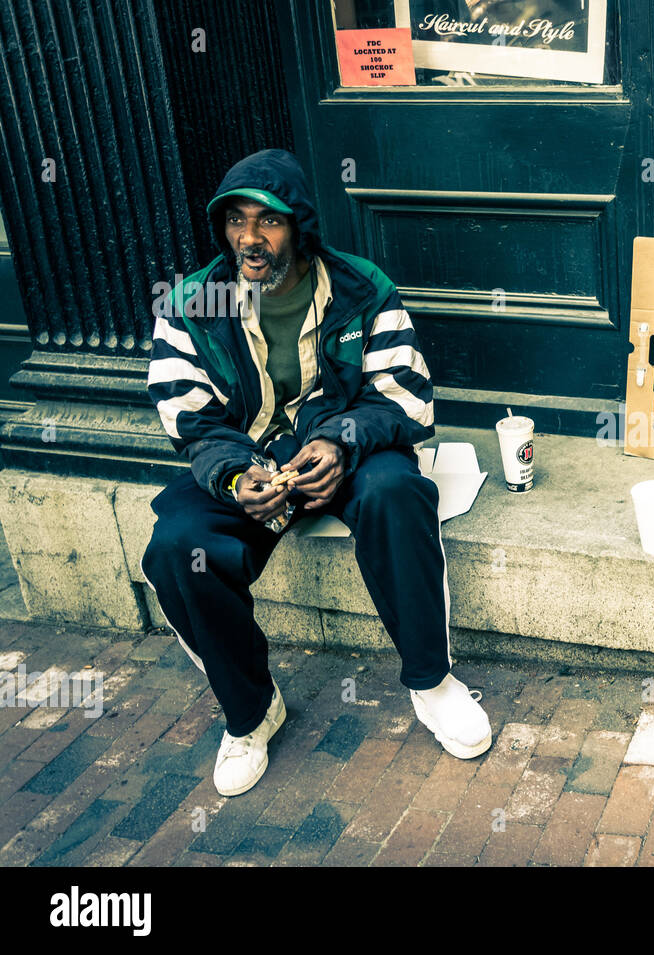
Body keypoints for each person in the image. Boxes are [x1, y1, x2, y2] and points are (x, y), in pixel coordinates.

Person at [142, 148, 492, 797]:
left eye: (267, 222)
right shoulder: (190, 304)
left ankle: (432, 683)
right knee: (176, 548)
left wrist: (338, 442)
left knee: (396, 491)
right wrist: (235, 475)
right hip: (252, 467)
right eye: (236, 220)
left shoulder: (362, 288)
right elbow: (187, 414)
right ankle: (251, 712)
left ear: (299, 225)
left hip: (346, 456)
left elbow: (403, 396)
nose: (249, 238)